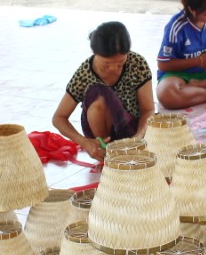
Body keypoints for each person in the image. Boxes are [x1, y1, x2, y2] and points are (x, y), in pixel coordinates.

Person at [53, 21, 155, 161]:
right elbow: (59, 118)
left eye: (120, 63)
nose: (114, 69)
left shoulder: (137, 63)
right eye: (107, 64)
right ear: (95, 53)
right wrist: (85, 143)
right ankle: (106, 150)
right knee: (100, 93)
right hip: (99, 137)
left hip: (130, 129)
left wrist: (137, 138)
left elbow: (148, 109)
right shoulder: (84, 74)